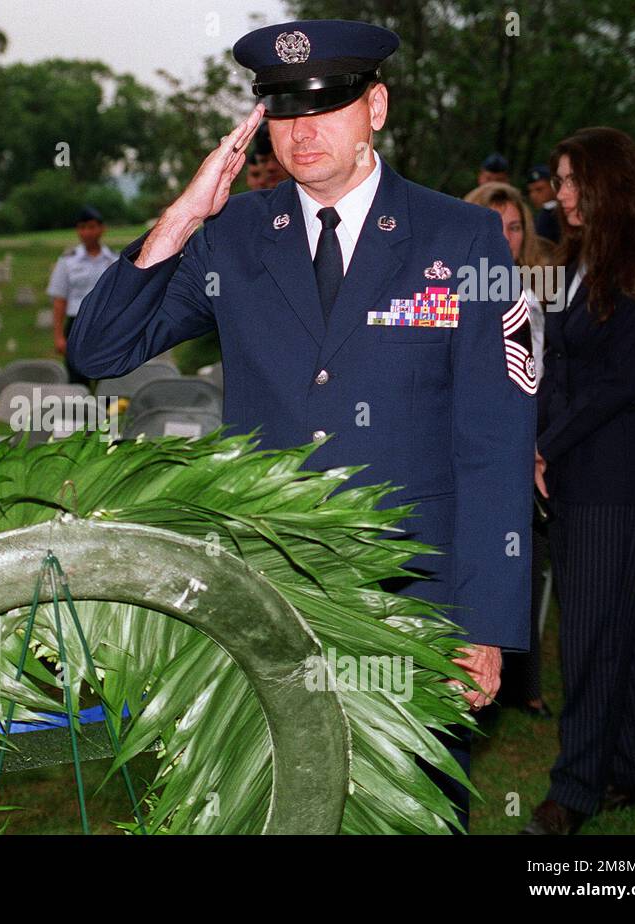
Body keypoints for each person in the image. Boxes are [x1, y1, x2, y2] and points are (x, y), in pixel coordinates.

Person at [69, 19, 535, 829]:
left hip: (411, 599)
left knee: (411, 810)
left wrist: (484, 621)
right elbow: (99, 347)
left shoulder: (459, 236)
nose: (303, 129)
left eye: (327, 105)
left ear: (376, 107)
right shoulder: (235, 236)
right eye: (283, 112)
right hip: (269, 593)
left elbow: (494, 442)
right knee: (274, 806)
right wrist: (184, 213)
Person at [523, 127, 635, 835]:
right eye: (558, 182)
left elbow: (621, 382)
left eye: (569, 182)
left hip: (614, 473)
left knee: (588, 635)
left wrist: (545, 448)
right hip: (572, 465)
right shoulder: (581, 259)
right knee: (615, 621)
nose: (559, 195)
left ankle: (575, 790)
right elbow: (560, 366)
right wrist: (537, 443)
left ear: (605, 184)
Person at [464, 181, 552, 720]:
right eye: (496, 226)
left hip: (538, 443)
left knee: (527, 565)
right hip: (486, 448)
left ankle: (525, 680)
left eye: (516, 226)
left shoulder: (543, 289)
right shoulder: (455, 288)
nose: (507, 237)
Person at [48, 206, 117, 385]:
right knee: (77, 380)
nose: (87, 232)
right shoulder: (68, 261)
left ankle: (108, 413)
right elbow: (59, 300)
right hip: (77, 324)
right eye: (82, 227)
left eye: (92, 227)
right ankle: (81, 413)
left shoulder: (113, 260)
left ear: (102, 228)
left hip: (105, 325)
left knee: (108, 382)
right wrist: (58, 336)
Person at [528, 165, 561, 245]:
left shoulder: (555, 215)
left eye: (539, 189)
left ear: (553, 187)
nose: (533, 195)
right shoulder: (537, 216)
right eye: (530, 191)